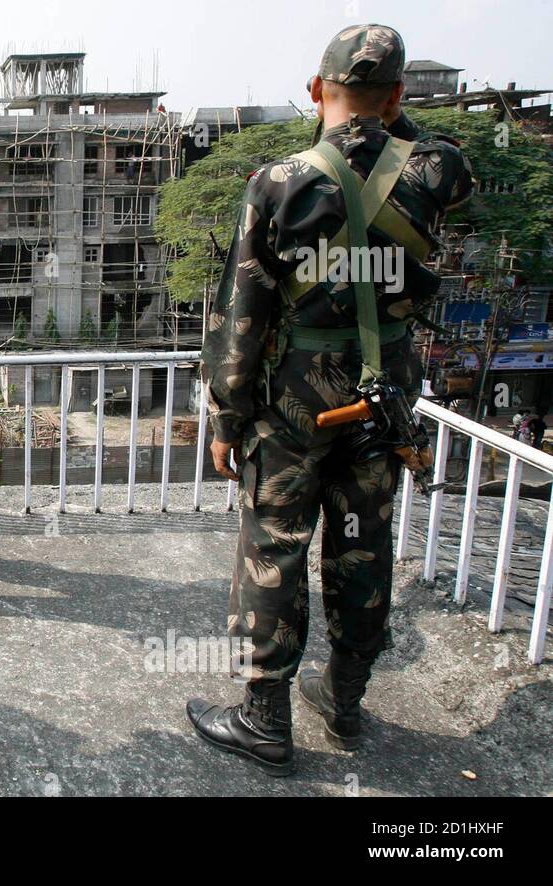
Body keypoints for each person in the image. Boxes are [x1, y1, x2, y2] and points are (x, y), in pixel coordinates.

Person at [187, 25, 473, 775]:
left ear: (316, 90)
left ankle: (264, 717)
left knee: (274, 545)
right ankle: (345, 701)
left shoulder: (280, 182)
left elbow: (241, 315)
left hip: (295, 404)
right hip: (387, 399)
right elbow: (434, 153)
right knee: (363, 542)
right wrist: (387, 121)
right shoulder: (436, 172)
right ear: (400, 95)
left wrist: (226, 413)